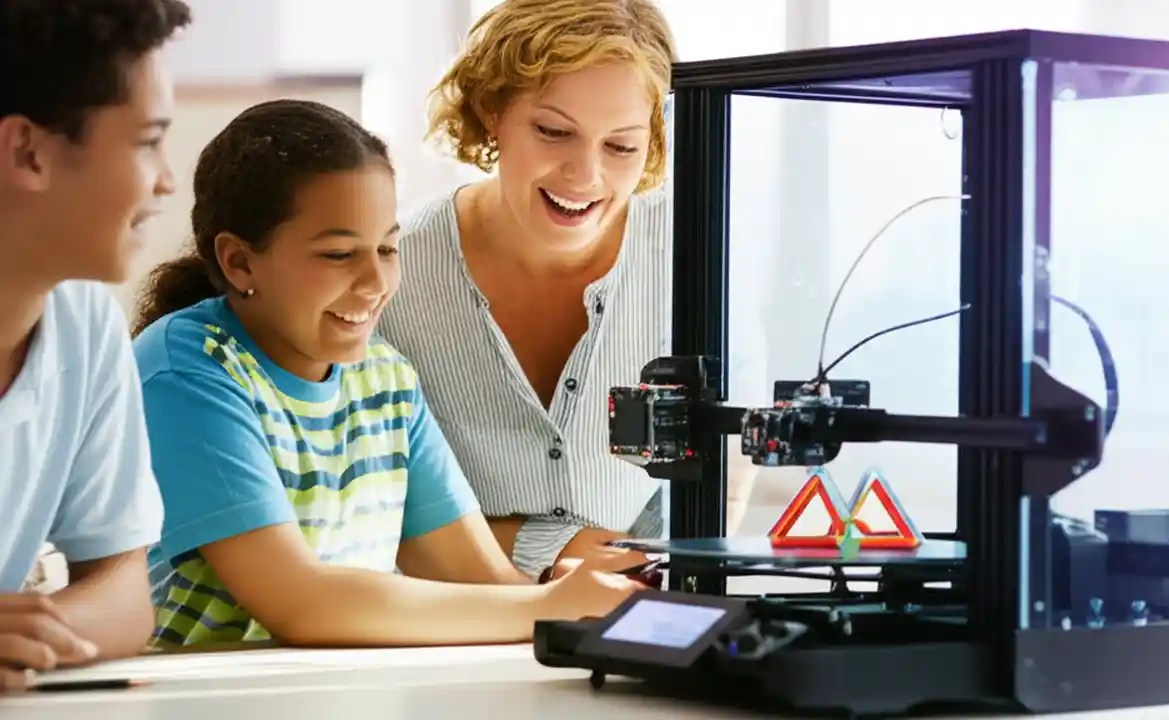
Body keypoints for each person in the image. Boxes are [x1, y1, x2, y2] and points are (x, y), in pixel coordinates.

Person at [131, 99, 642, 649]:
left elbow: (484, 581)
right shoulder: (190, 366)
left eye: (386, 248)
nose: (375, 282)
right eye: (337, 254)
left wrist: (562, 601)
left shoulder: (385, 380)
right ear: (238, 262)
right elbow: (301, 603)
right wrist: (545, 605)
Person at [378, 0, 764, 582]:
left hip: (627, 624)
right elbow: (370, 515)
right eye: (554, 132)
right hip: (442, 635)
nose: (584, 176)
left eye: (621, 146)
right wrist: (557, 550)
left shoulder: (698, 257)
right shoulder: (392, 274)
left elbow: (715, 501)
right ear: (491, 111)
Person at [0, 0, 189, 690]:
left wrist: (30, 637)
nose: (168, 179)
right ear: (27, 150)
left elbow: (123, 593)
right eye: (147, 142)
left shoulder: (83, 322)